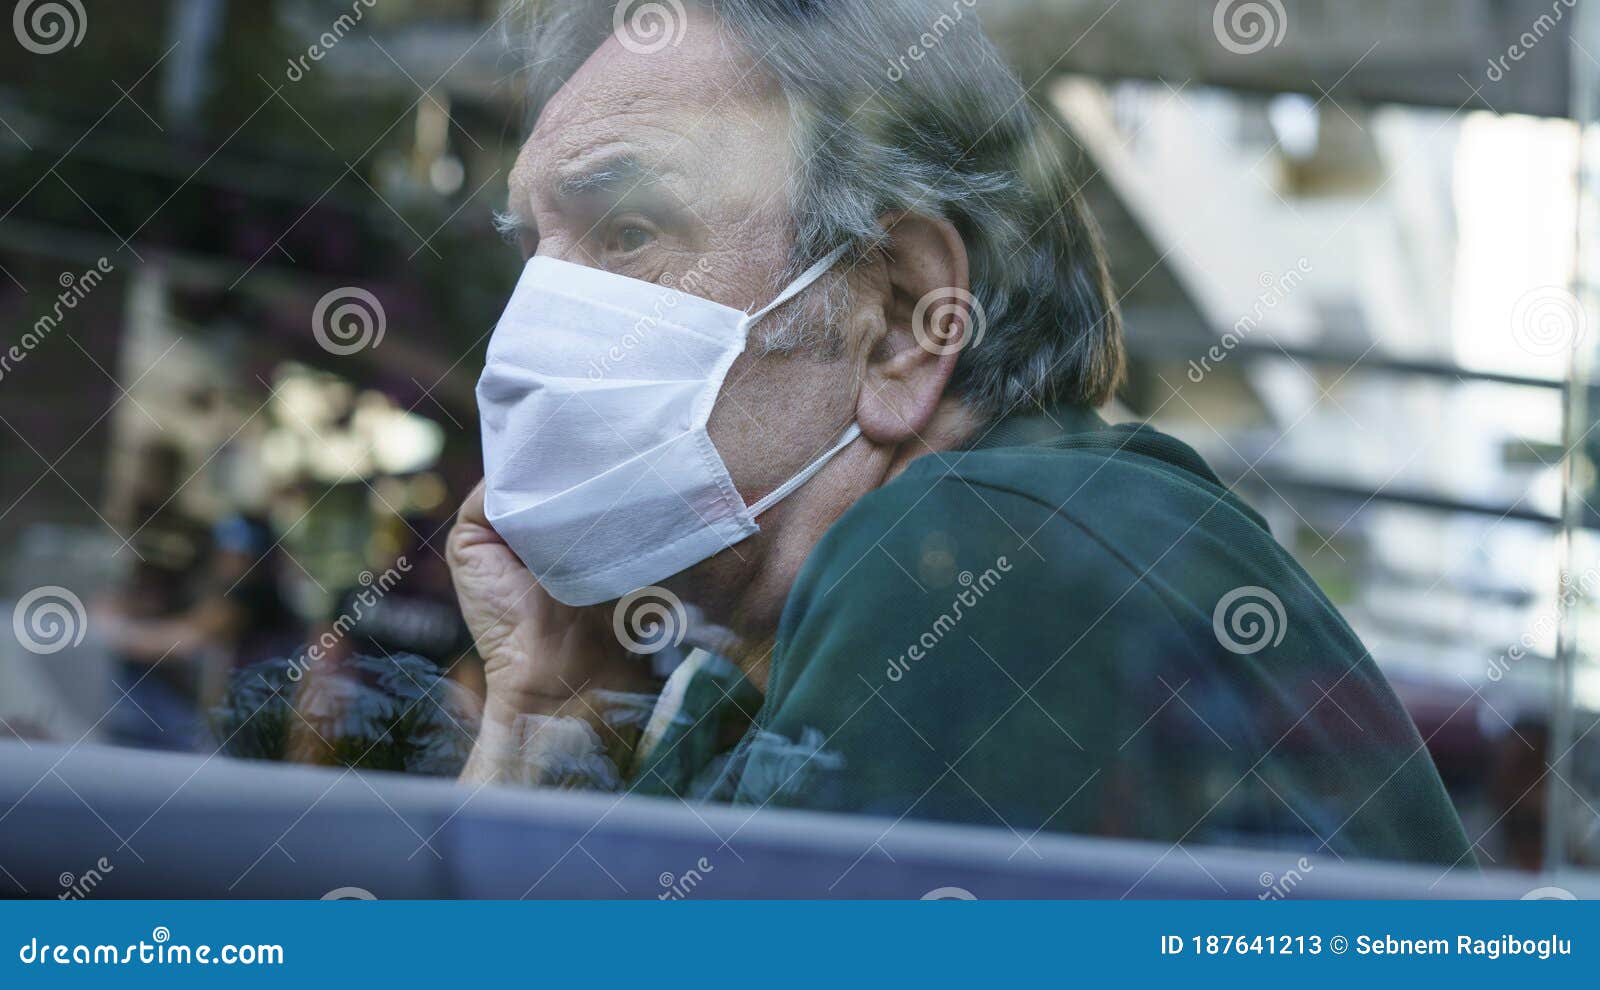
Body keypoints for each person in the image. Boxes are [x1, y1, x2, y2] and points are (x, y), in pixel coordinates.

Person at [449, 0, 1471, 864]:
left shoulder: (979, 560)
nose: (530, 329)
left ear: (898, 321)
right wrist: (545, 714)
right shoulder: (833, 622)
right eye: (536, 250)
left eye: (626, 232)